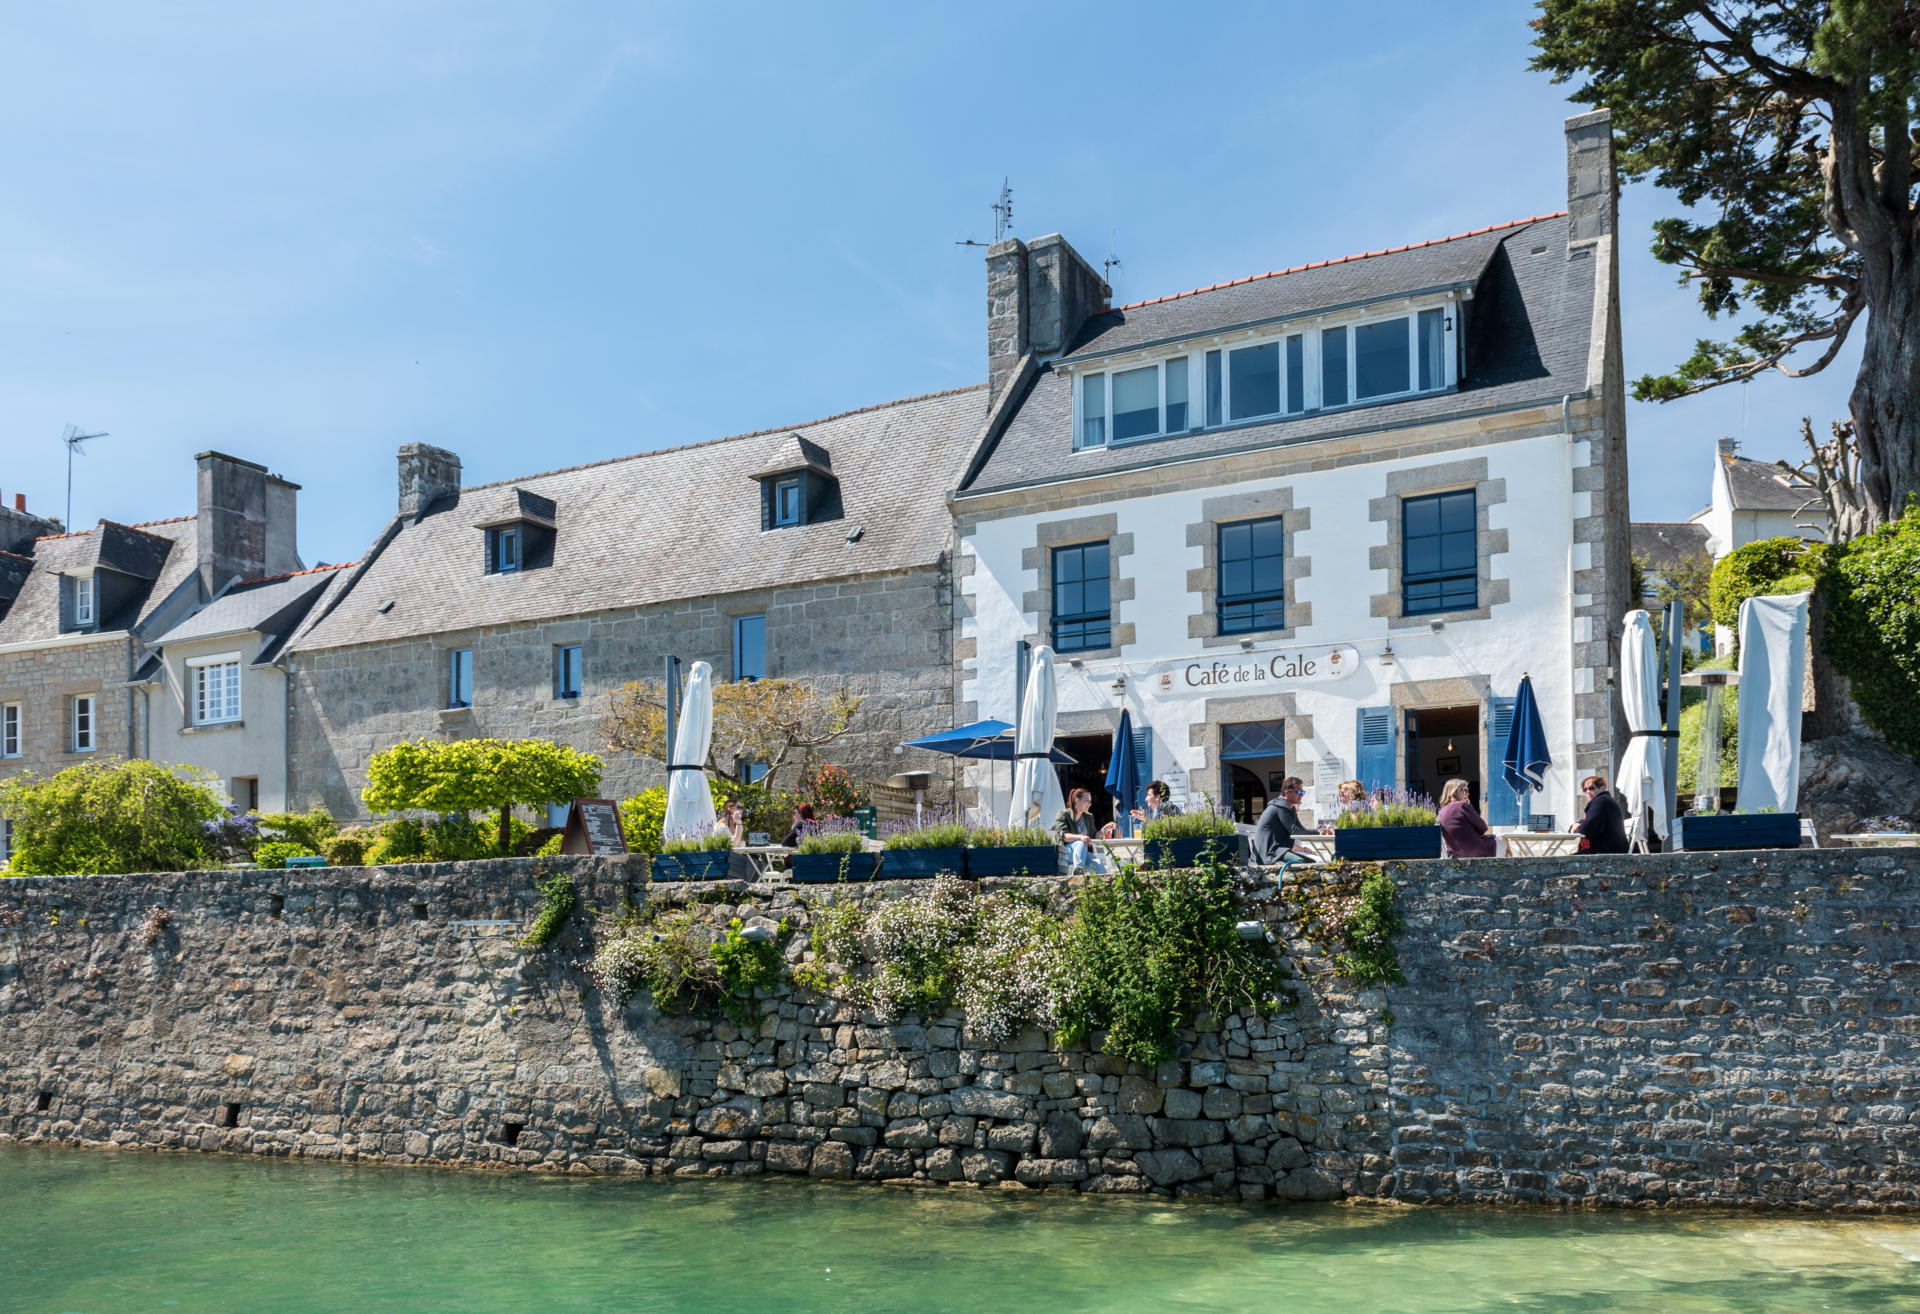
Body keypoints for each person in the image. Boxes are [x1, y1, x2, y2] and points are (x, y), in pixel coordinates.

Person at [1053, 787, 1115, 872]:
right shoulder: (1063, 814)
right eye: (1087, 801)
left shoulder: (1089, 817)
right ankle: (1079, 870)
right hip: (1066, 853)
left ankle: (1097, 878)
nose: (1090, 804)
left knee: (1099, 867)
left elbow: (1093, 836)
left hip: (1083, 853)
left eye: (1090, 801)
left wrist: (1104, 829)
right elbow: (1064, 836)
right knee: (1081, 842)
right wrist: (1081, 837)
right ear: (1077, 800)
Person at [1436, 778, 1501, 858]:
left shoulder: (1441, 812)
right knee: (1503, 841)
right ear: (1455, 791)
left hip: (1455, 853)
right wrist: (1469, 806)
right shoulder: (1462, 805)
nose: (1468, 794)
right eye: (1465, 790)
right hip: (1476, 850)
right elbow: (1483, 828)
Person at [1251, 777, 1308, 866]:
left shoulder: (1290, 808)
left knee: (1311, 861)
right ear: (1287, 792)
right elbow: (1295, 831)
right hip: (1270, 853)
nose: (1302, 795)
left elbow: (1300, 829)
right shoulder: (1280, 807)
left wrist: (1319, 832)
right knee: (1301, 862)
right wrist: (1318, 833)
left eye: (1303, 792)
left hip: (1279, 850)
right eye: (1299, 792)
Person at [1573, 775, 1629, 854]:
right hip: (1609, 849)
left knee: (1563, 861)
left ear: (1602, 788)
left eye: (1591, 788)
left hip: (1605, 851)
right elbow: (1587, 822)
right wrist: (1577, 825)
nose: (1588, 792)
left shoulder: (1601, 801)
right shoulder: (1604, 801)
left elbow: (1587, 828)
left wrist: (1577, 828)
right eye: (1585, 790)